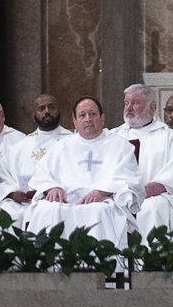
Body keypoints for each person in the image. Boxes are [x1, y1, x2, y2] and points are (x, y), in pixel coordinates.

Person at [25, 95, 140, 249]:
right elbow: (42, 173)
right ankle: (53, 269)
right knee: (47, 209)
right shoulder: (62, 146)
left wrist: (102, 191)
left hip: (103, 201)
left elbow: (129, 178)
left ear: (102, 118)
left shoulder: (120, 145)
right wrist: (52, 187)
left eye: (92, 114)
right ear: (75, 121)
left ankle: (103, 270)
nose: (87, 119)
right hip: (66, 200)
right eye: (82, 115)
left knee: (99, 211)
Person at [111, 83, 173, 235]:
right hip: (119, 194)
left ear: (152, 107)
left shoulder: (169, 137)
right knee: (107, 207)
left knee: (152, 208)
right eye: (126, 103)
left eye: (135, 103)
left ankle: (148, 259)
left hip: (154, 196)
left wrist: (151, 189)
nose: (129, 108)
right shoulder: (114, 136)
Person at [0, 92, 68, 226]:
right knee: (4, 214)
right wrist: (13, 194)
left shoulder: (71, 141)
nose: (47, 111)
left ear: (59, 111)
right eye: (41, 108)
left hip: (57, 200)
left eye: (51, 107)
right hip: (23, 203)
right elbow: (5, 177)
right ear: (33, 115)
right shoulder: (20, 147)